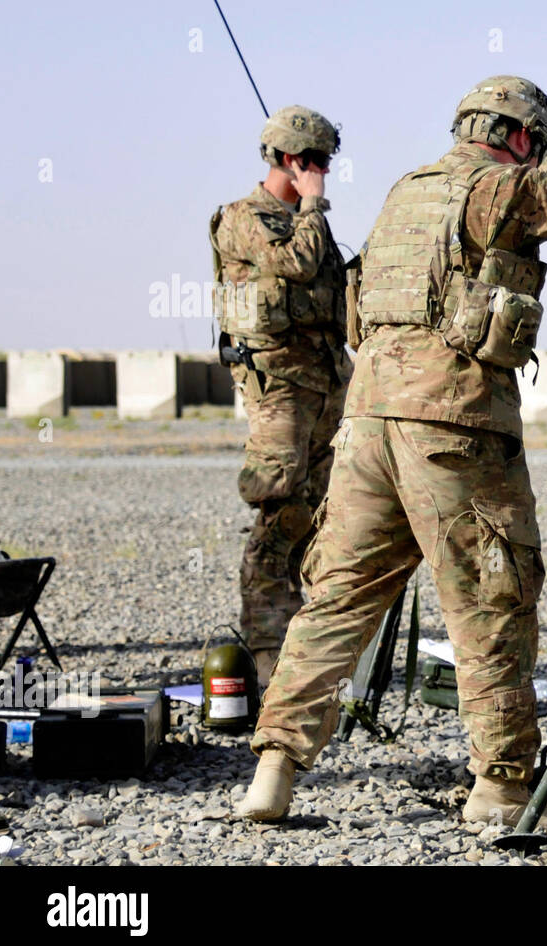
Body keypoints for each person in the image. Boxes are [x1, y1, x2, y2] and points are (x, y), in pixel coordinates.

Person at [235, 76, 547, 830]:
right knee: (492, 601)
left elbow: (359, 300)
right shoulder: (508, 186)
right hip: (457, 430)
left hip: (369, 425)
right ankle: (503, 790)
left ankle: (273, 770)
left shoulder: (412, 189)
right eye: (536, 148)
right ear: (519, 140)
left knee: (339, 598)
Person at [210, 105, 352, 688]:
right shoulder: (248, 218)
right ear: (293, 160)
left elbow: (337, 286)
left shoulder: (305, 222)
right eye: (317, 162)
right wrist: (314, 203)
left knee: (317, 510)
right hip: (280, 392)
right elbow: (295, 263)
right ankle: (268, 654)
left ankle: (304, 646)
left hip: (325, 386)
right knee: (276, 513)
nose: (323, 172)